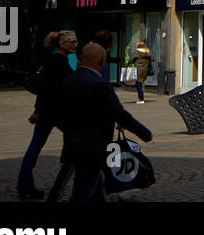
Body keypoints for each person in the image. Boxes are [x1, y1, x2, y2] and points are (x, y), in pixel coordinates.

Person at [56, 42, 153, 203]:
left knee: (95, 189)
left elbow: (60, 114)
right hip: (93, 148)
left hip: (73, 145)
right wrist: (144, 133)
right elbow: (119, 113)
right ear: (101, 61)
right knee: (82, 193)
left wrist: (71, 132)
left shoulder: (69, 81)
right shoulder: (100, 84)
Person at [49, 29, 114, 201]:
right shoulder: (96, 76)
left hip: (77, 132)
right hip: (89, 136)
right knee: (82, 179)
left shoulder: (75, 75)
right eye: (73, 42)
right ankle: (54, 194)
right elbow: (111, 106)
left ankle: (56, 194)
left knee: (88, 174)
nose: (75, 45)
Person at [16, 30, 77, 200]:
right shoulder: (57, 61)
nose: (75, 44)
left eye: (75, 42)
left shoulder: (58, 59)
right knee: (76, 140)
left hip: (49, 112)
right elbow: (46, 89)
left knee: (35, 147)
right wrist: (37, 111)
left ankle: (24, 185)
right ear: (62, 44)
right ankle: (30, 184)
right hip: (53, 112)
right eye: (72, 42)